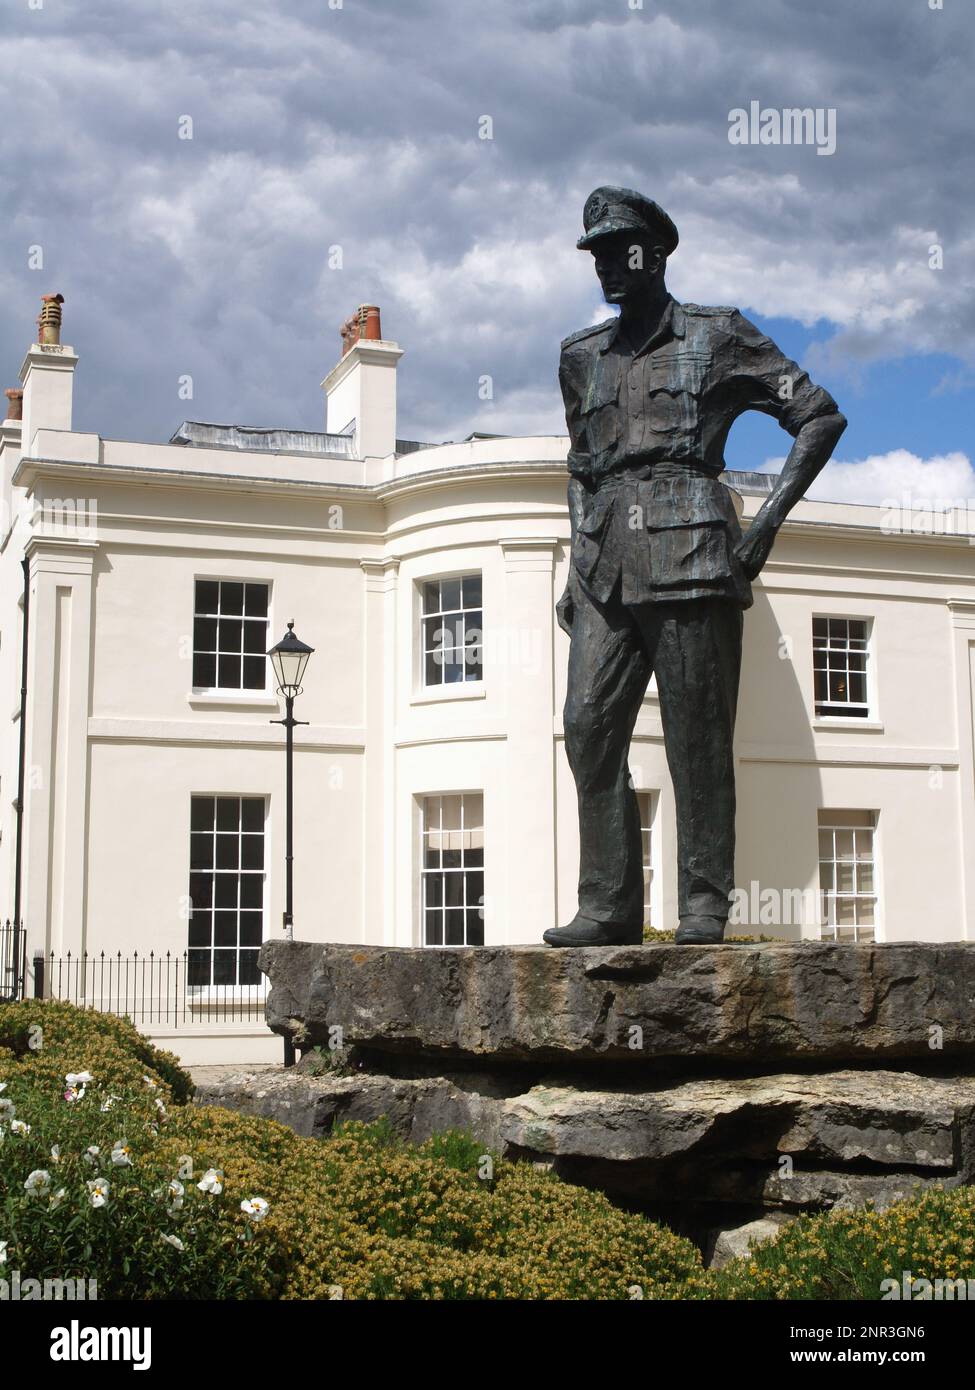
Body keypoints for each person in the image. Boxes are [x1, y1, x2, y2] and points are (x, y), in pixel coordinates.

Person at [544, 186, 847, 948]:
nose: (608, 266)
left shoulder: (718, 336)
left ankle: (704, 906)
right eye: (597, 255)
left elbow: (816, 415)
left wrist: (766, 525)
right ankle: (607, 904)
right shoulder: (580, 357)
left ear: (657, 251)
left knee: (697, 738)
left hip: (692, 552)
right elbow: (580, 468)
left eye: (620, 250)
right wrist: (575, 562)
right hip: (606, 563)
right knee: (586, 726)